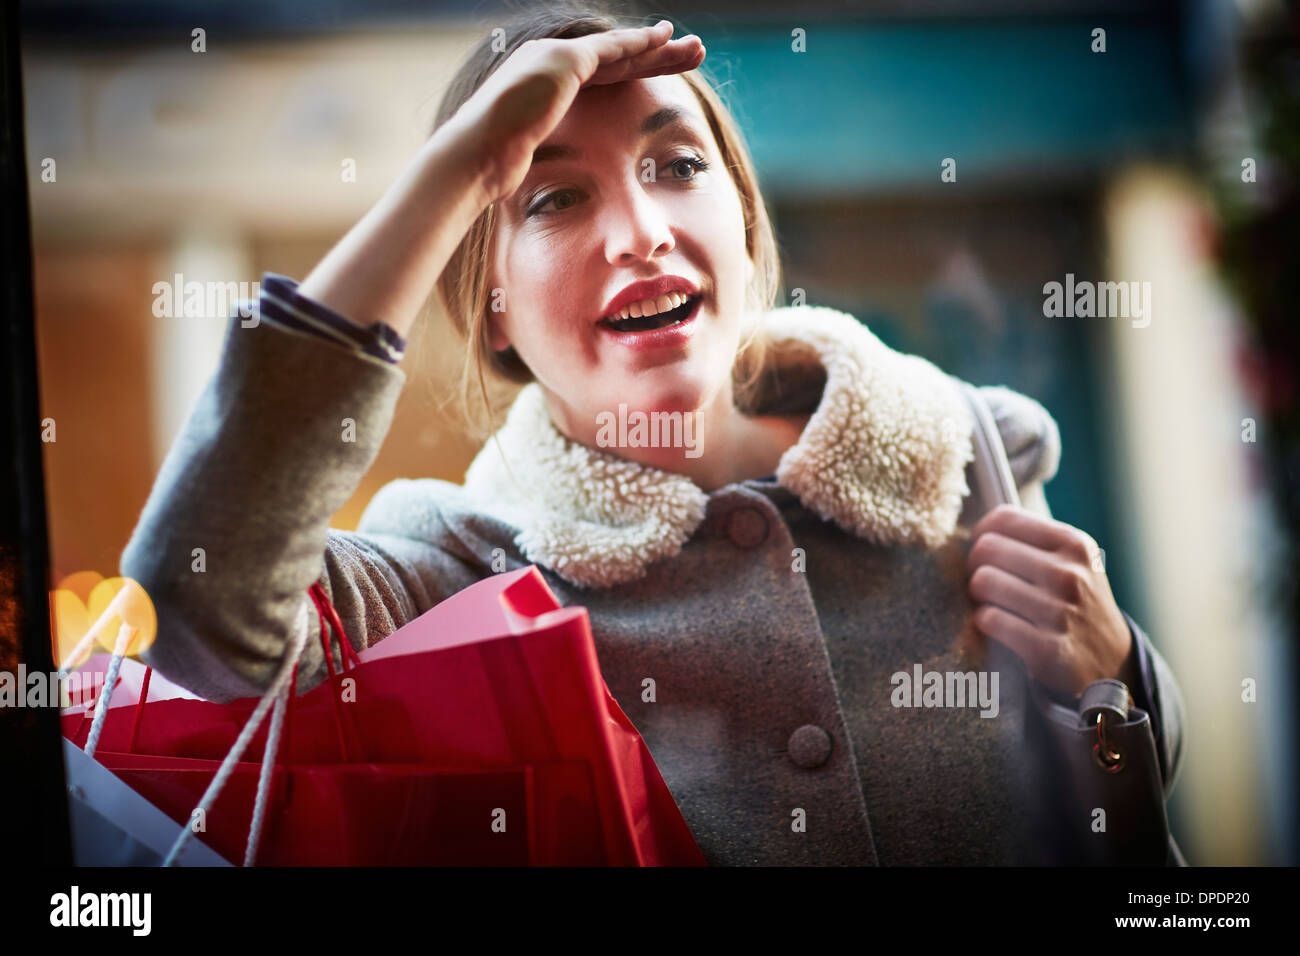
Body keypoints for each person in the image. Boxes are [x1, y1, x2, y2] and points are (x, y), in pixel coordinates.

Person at [121, 3, 1184, 865]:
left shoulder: (960, 447)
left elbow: (1123, 798)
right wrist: (458, 168)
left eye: (677, 167)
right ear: (488, 301)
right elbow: (202, 607)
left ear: (747, 223)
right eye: (549, 196)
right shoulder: (456, 571)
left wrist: (1123, 679)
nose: (639, 231)